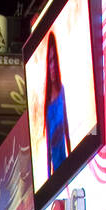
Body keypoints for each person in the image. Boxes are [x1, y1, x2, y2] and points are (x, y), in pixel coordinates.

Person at [43, 32, 70, 177]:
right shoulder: (47, 102)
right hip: (55, 169)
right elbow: (48, 142)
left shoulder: (62, 91)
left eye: (54, 60)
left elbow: (67, 130)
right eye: (49, 61)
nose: (52, 66)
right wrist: (49, 177)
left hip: (65, 163)